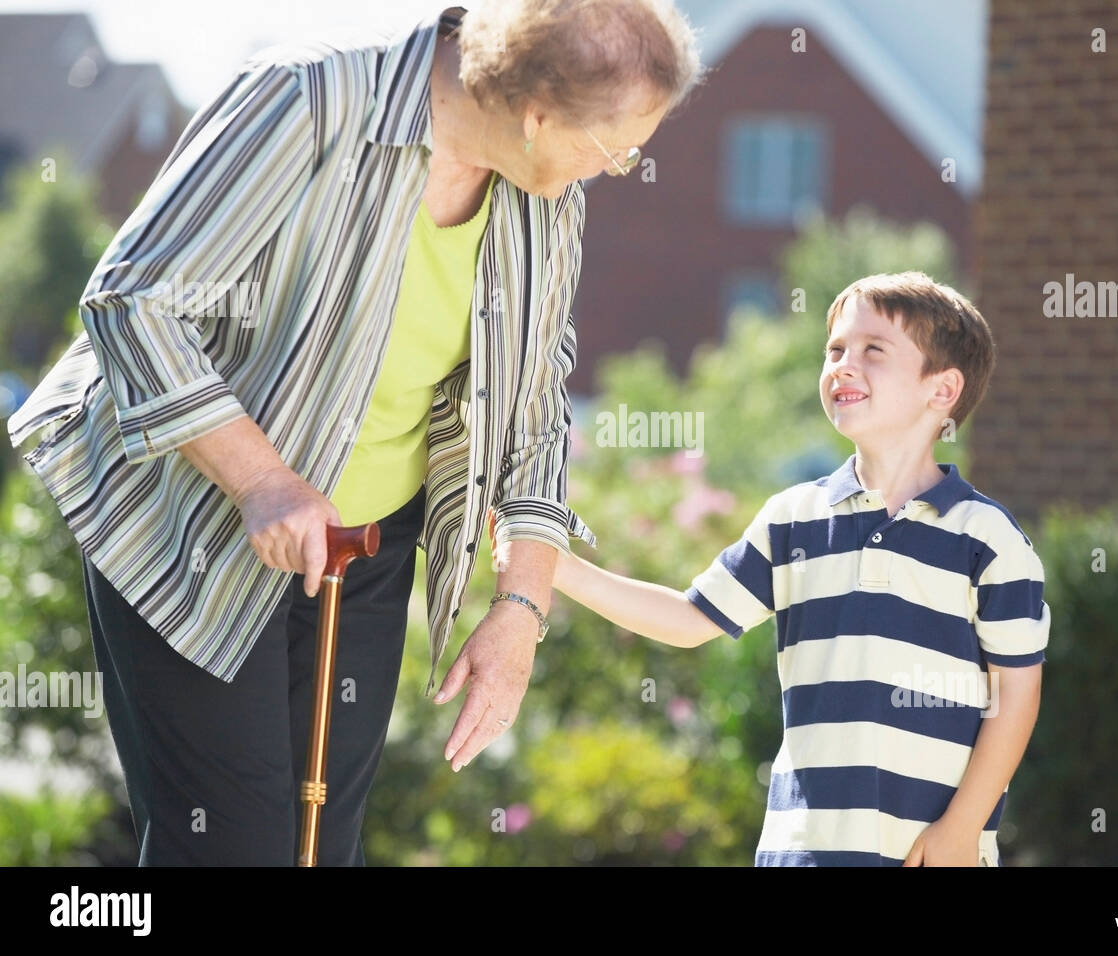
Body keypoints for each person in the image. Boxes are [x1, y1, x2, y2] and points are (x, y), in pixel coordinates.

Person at [6, 1, 702, 865]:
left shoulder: (542, 193)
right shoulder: (308, 98)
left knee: (319, 847)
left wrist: (521, 607)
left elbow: (533, 401)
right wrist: (262, 480)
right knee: (233, 848)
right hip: (191, 514)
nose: (619, 170)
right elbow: (132, 301)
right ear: (534, 114)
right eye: (615, 150)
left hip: (365, 541)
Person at [552, 271, 1051, 866]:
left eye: (872, 350)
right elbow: (689, 619)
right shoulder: (792, 518)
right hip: (801, 854)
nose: (842, 364)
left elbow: (1015, 693)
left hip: (933, 854)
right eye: (835, 349)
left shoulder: (988, 538)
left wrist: (961, 830)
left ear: (941, 391)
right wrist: (557, 567)